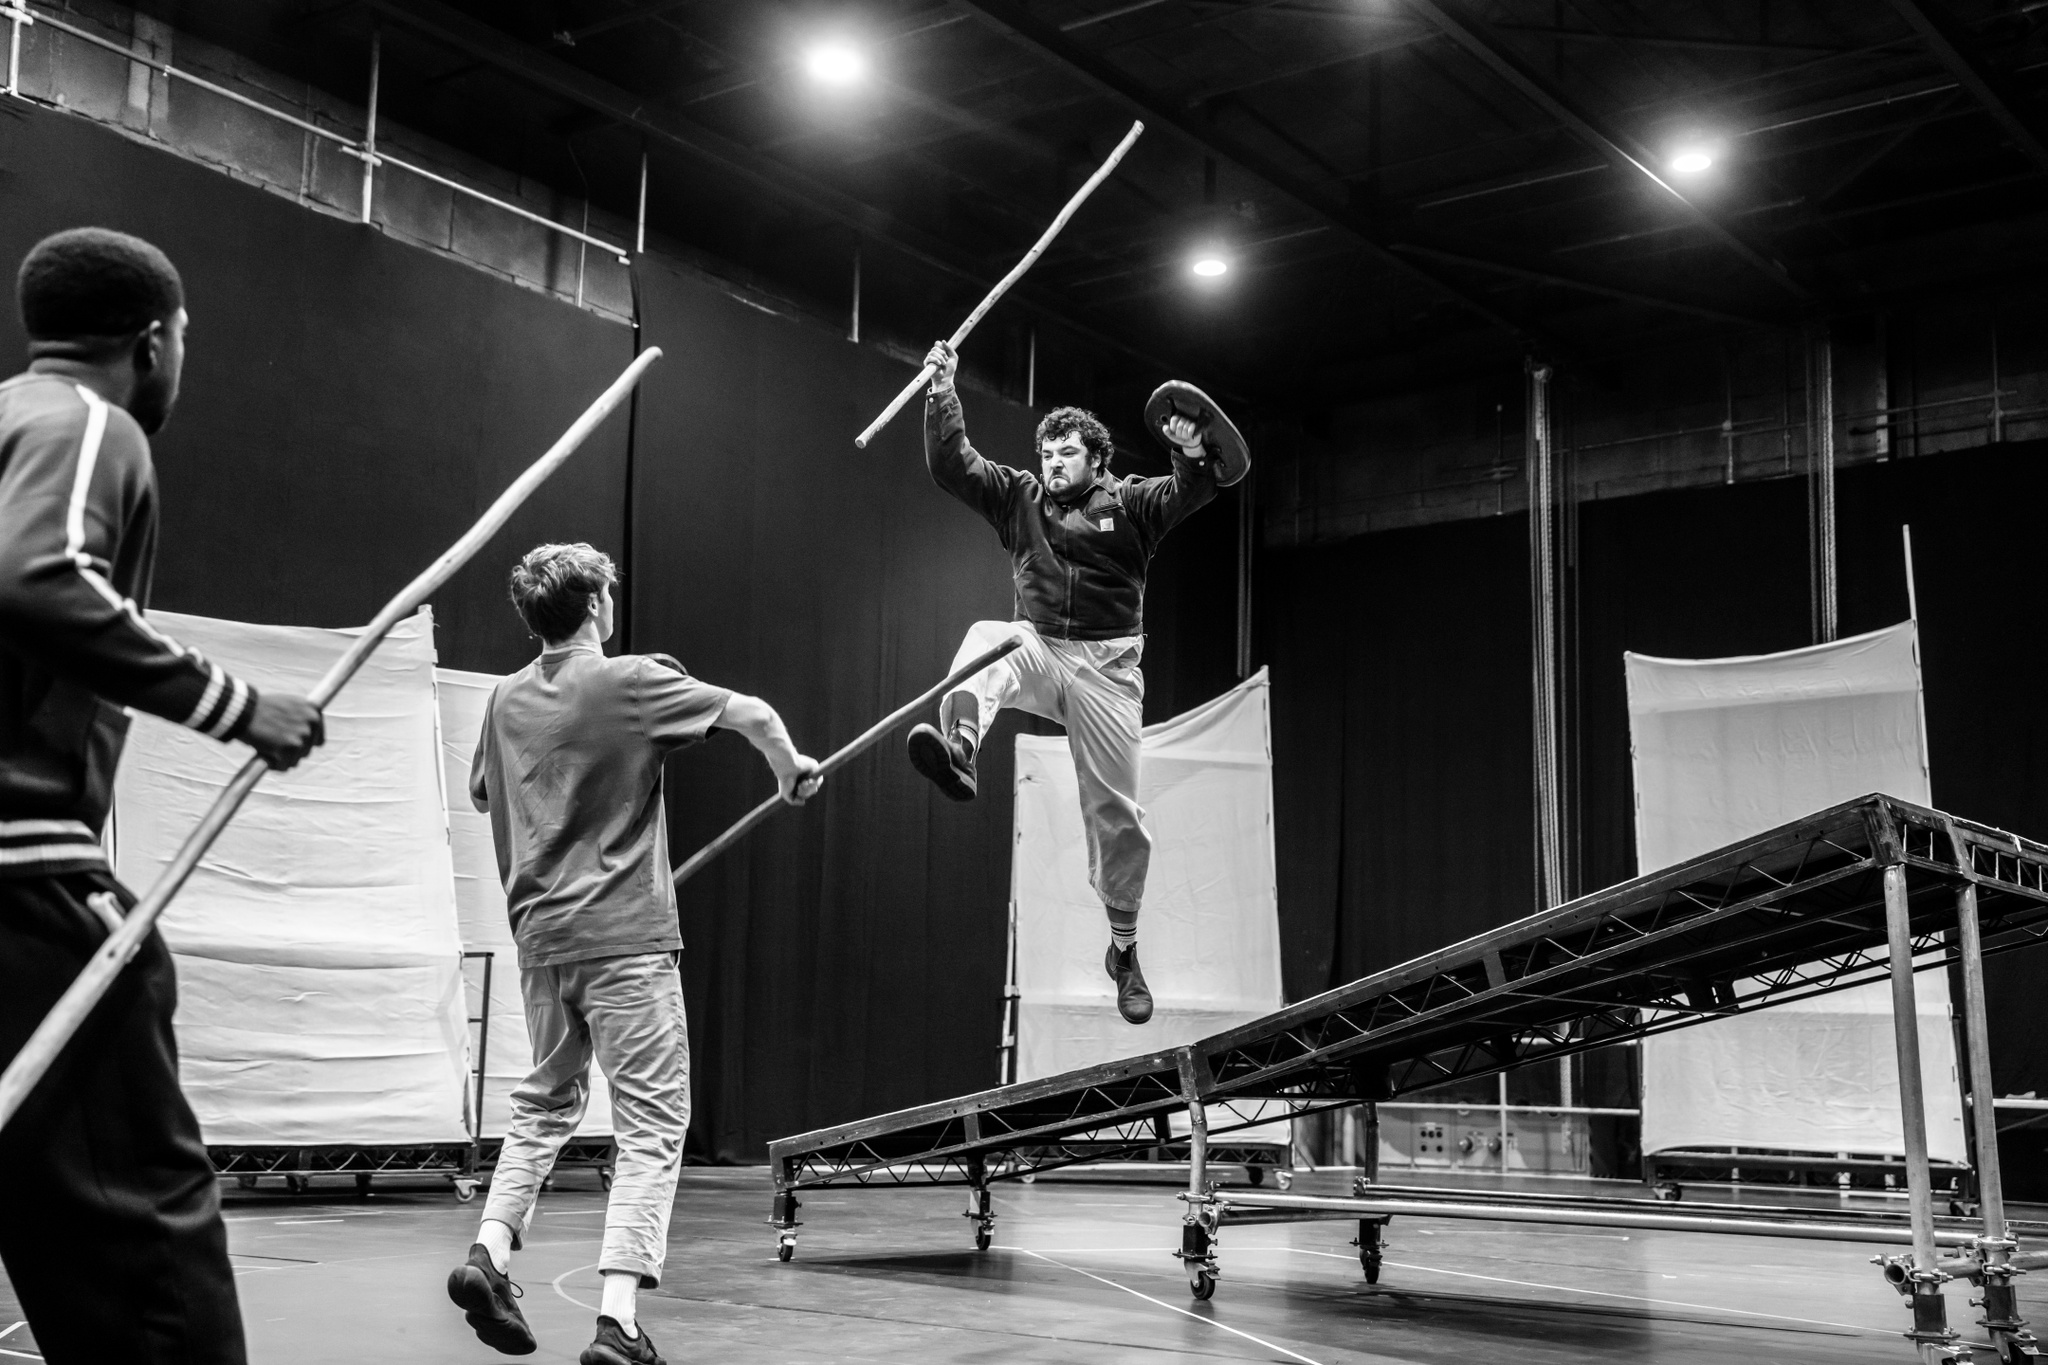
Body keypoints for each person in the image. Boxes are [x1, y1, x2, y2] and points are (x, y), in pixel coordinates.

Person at [0, 227, 325, 1365]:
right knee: (145, 1253)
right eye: (186, 339)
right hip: (23, 884)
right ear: (151, 341)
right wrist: (242, 708)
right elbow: (39, 574)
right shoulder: (89, 424)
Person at [448, 542, 822, 1365]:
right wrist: (790, 769)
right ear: (595, 608)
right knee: (653, 1123)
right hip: (625, 940)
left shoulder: (503, 699)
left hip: (542, 942)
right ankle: (616, 1321)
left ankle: (490, 1251)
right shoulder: (632, 679)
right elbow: (752, 714)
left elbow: (483, 790)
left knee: (545, 1102)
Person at [905, 340, 1220, 1025]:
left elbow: (1190, 489)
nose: (1052, 461)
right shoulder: (1019, 497)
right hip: (1042, 650)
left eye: (1067, 452)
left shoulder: (1132, 503)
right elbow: (951, 466)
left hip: (1107, 674)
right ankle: (961, 748)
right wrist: (942, 392)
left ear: (1096, 459)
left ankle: (1125, 952)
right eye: (1046, 451)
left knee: (1119, 820)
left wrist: (1190, 449)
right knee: (990, 640)